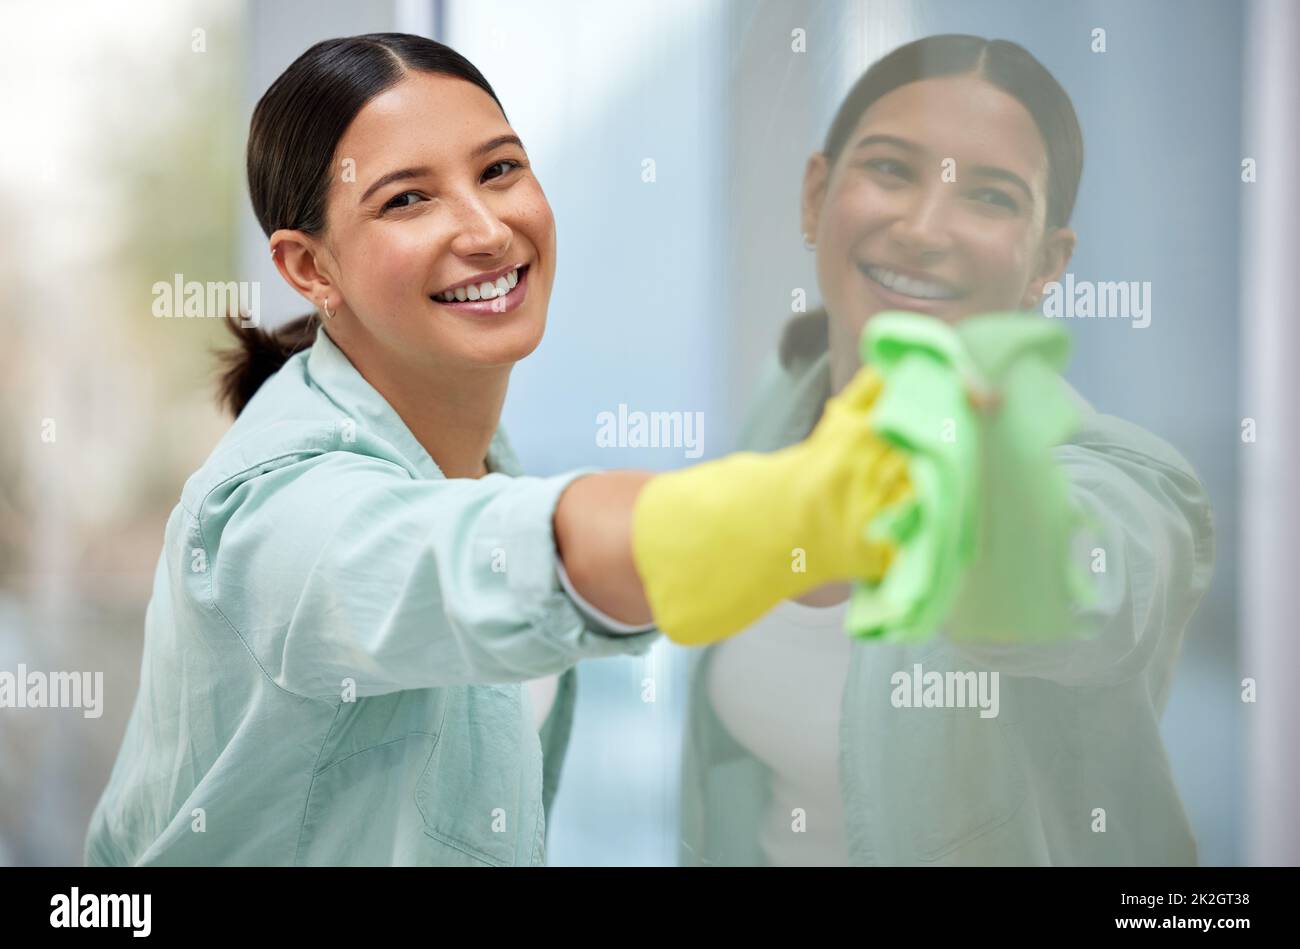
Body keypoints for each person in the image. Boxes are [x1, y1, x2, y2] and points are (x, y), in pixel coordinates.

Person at [83, 33, 965, 866]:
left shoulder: (475, 458)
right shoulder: (279, 511)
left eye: (499, 170)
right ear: (310, 268)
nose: (486, 229)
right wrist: (789, 508)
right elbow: (489, 554)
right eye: (407, 198)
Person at [679, 34, 1216, 866]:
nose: (925, 228)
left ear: (1047, 262)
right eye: (892, 170)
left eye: (992, 197)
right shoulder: (784, 404)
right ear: (817, 195)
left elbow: (1071, 590)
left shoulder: (1125, 483)